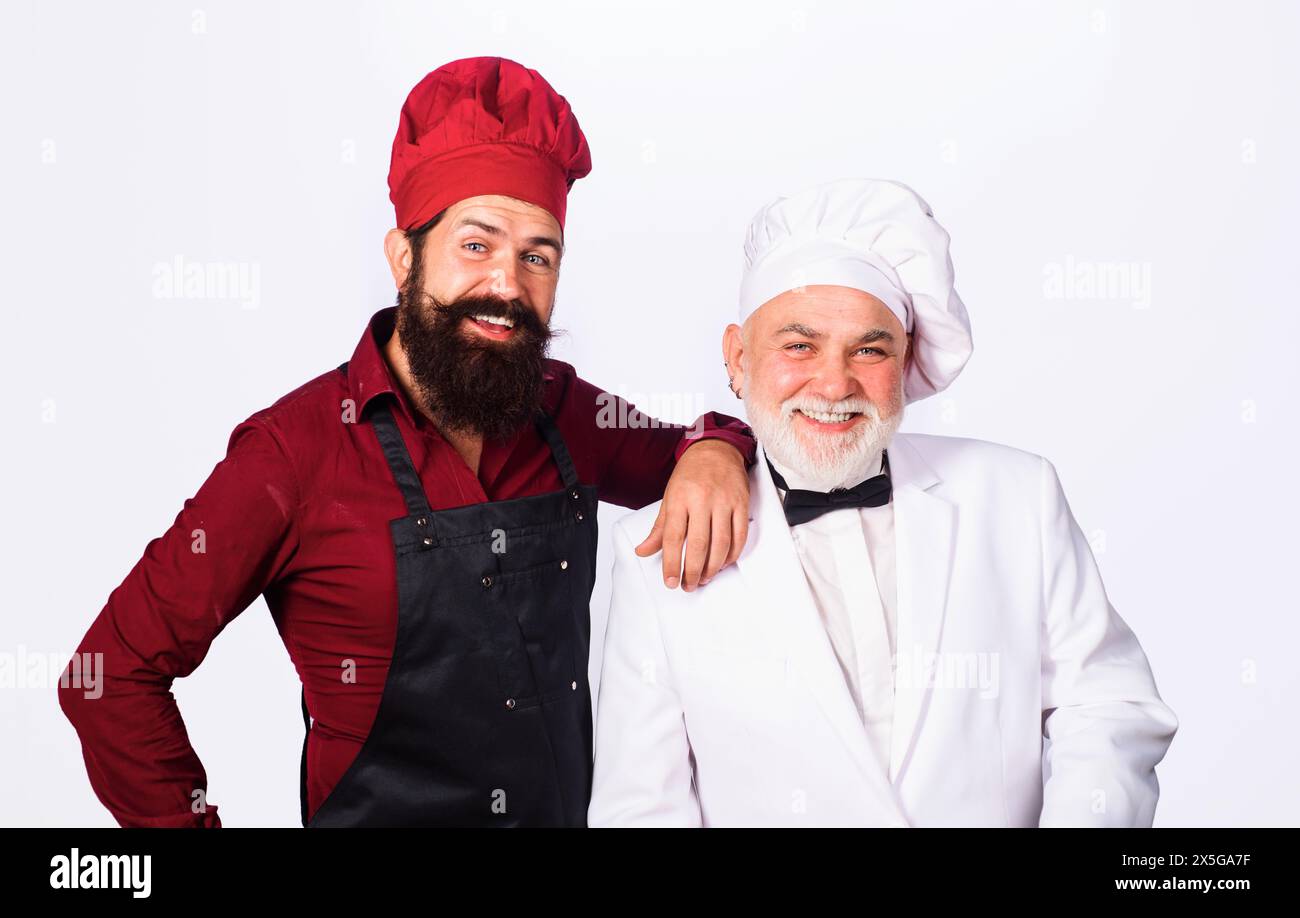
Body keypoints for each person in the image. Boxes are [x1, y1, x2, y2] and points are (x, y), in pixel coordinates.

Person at [59, 57, 757, 828]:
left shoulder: (564, 413)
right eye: (476, 246)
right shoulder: (292, 454)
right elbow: (106, 676)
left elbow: (693, 448)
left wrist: (717, 449)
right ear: (403, 257)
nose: (507, 286)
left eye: (537, 256)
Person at [588, 178, 1178, 827]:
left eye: (870, 349)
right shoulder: (655, 551)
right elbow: (640, 809)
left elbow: (1107, 707)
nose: (835, 383)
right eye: (799, 345)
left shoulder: (1018, 497)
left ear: (906, 358)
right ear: (738, 357)